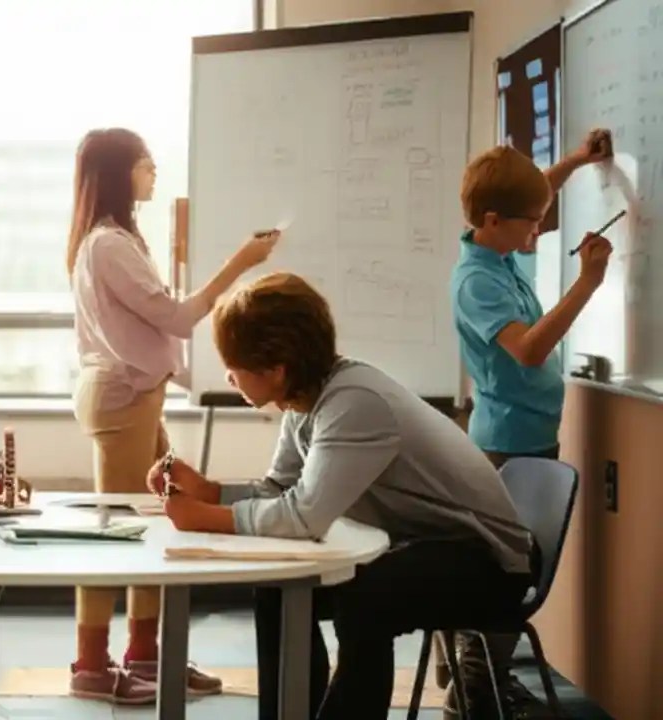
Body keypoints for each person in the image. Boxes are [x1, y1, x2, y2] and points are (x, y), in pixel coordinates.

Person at [154, 272, 537, 720]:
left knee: (367, 598)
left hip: (489, 562)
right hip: (429, 546)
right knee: (279, 589)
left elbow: (303, 518)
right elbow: (278, 491)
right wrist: (209, 492)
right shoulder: (307, 398)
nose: (228, 376)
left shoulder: (354, 403)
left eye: (233, 364)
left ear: (276, 370)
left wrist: (205, 517)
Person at [65, 126, 280, 702]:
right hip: (123, 399)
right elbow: (178, 319)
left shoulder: (116, 240)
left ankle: (144, 656)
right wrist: (242, 262)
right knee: (116, 530)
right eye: (145, 164)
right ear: (119, 174)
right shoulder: (108, 245)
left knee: (155, 517)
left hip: (136, 395)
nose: (154, 172)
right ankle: (91, 665)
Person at [448, 129, 613, 717]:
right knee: (508, 571)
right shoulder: (477, 280)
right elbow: (529, 350)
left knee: (515, 564)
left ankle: (482, 679)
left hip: (527, 440)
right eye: (532, 223)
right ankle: (473, 693)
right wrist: (587, 283)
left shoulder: (497, 248)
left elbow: (533, 192)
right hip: (506, 447)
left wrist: (575, 161)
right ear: (493, 221)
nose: (539, 232)